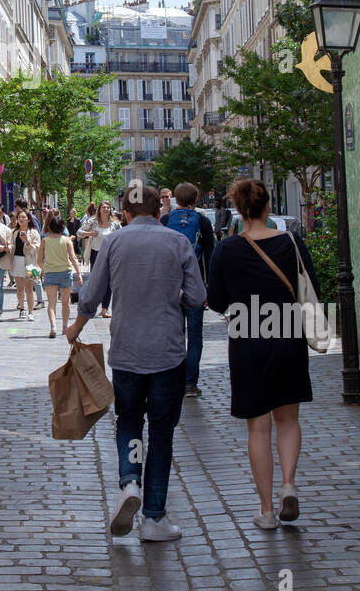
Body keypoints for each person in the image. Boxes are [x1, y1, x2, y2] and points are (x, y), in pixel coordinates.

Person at [66, 184, 206, 541]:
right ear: (159, 211)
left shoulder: (113, 242)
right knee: (161, 432)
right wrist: (171, 293)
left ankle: (130, 481)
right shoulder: (177, 242)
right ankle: (155, 518)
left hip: (126, 353)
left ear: (124, 214)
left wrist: (76, 327)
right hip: (168, 353)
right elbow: (197, 297)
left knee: (129, 420)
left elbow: (93, 295)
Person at [206, 178, 319, 529]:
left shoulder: (226, 249)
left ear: (239, 210)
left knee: (258, 428)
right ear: (267, 206)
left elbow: (217, 301)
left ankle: (267, 510)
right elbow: (311, 284)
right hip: (286, 333)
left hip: (247, 336)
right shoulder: (291, 241)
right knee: (288, 419)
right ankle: (288, 484)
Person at [161, 182, 215, 399]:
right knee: (194, 336)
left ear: (176, 200)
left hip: (169, 286)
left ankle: (174, 380)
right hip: (195, 285)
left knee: (173, 336)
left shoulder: (165, 220)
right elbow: (211, 253)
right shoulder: (202, 221)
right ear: (196, 200)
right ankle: (190, 384)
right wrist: (210, 286)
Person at [38, 214, 83, 338]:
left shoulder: (45, 241)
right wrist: (79, 273)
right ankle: (64, 327)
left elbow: (39, 259)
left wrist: (44, 270)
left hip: (50, 273)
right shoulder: (67, 240)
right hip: (65, 273)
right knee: (65, 303)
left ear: (49, 227)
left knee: (51, 304)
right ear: (62, 227)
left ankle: (53, 326)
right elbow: (73, 258)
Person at [79, 201, 120, 317]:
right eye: (104, 207)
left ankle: (105, 309)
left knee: (108, 282)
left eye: (108, 207)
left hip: (110, 254)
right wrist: (90, 233)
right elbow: (79, 232)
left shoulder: (115, 224)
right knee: (96, 281)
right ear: (99, 209)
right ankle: (91, 306)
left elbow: (121, 236)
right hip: (96, 254)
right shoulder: (93, 221)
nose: (106, 209)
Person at [10, 208, 41, 320]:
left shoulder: (34, 232)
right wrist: (6, 248)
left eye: (24, 217)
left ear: (28, 219)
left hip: (32, 263)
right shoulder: (14, 232)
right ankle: (22, 308)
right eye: (19, 217)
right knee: (19, 288)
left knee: (30, 288)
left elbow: (37, 249)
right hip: (17, 260)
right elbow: (12, 246)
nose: (21, 219)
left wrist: (27, 241)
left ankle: (31, 312)